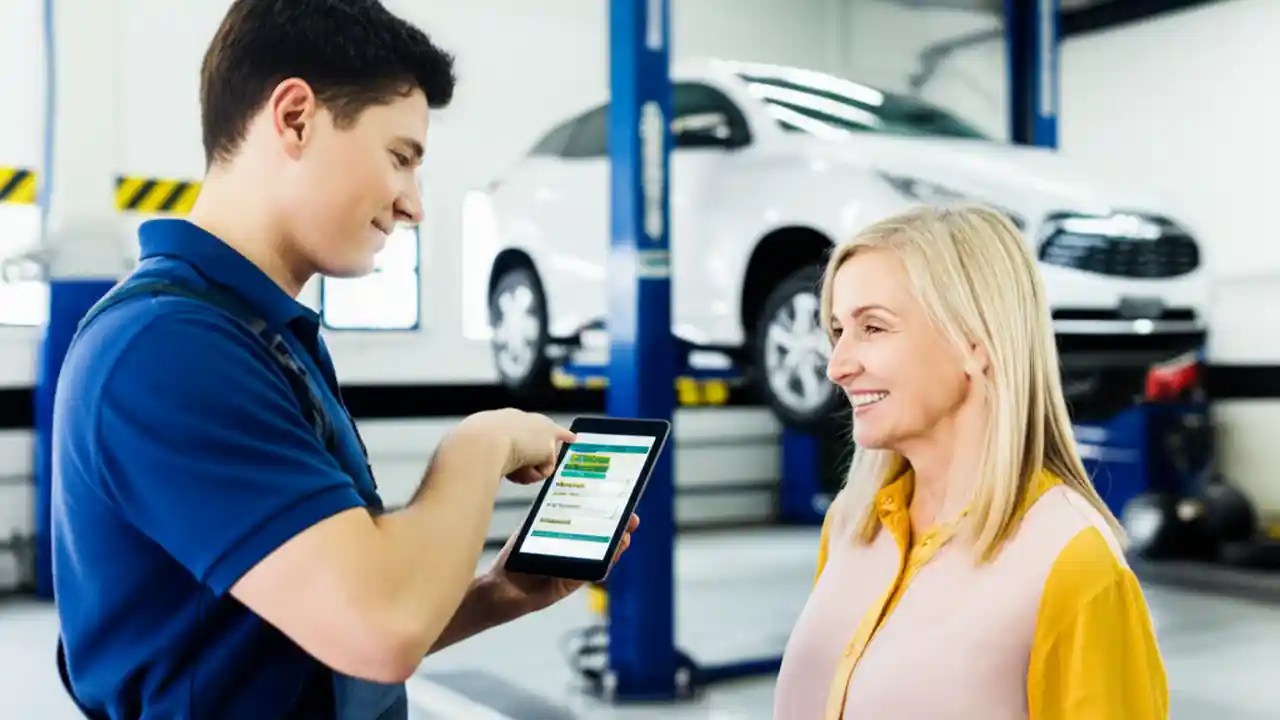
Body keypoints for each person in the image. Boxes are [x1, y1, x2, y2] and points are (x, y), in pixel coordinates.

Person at [49, 1, 638, 718]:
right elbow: (378, 628)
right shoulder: (167, 351)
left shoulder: (256, 336)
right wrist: (480, 443)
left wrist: (492, 596)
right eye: (401, 158)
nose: (414, 205)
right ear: (295, 117)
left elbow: (311, 633)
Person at [772, 205, 1168, 719]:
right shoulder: (850, 529)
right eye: (837, 330)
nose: (838, 366)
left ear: (975, 343)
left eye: (873, 327)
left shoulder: (1072, 563)